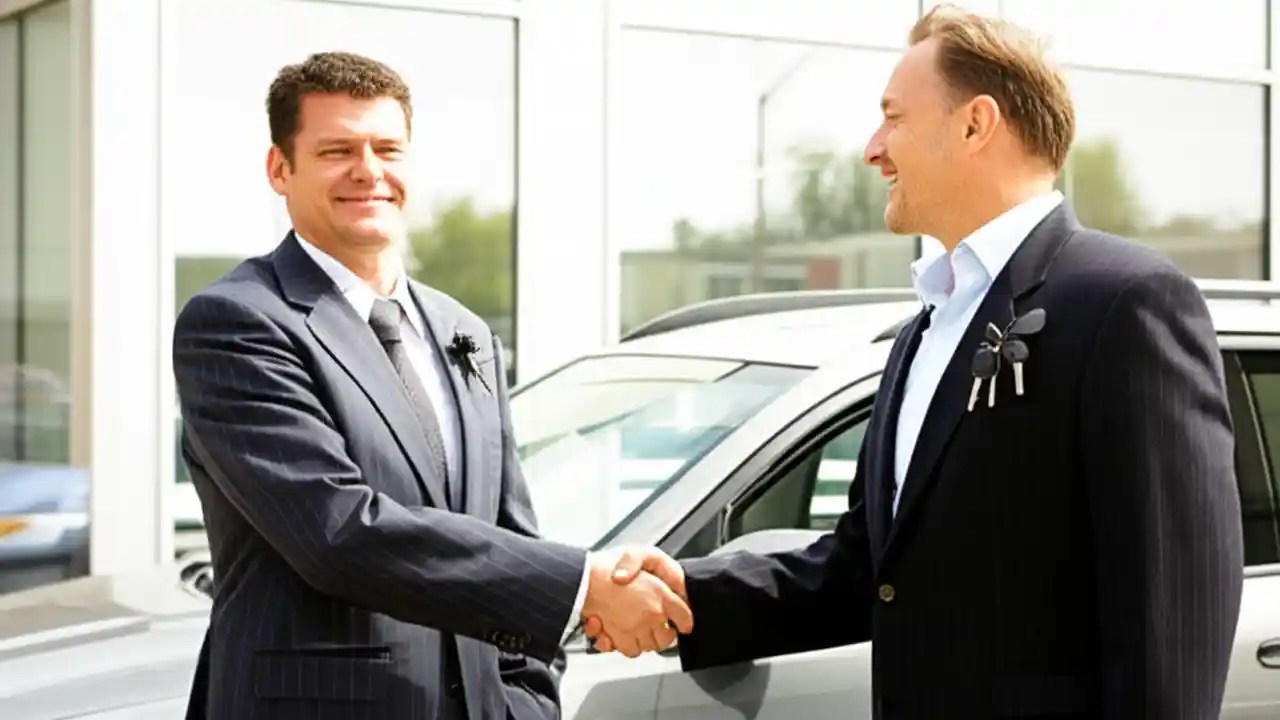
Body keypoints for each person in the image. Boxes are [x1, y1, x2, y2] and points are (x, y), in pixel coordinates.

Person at [587, 5, 1244, 718]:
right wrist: (685, 594)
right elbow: (867, 569)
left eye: (893, 117)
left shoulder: (1128, 303)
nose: (873, 150)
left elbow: (1170, 620)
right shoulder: (920, 333)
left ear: (974, 124)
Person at [174, 51, 684, 720]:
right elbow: (339, 534)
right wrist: (586, 585)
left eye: (388, 148)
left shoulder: (461, 331)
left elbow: (509, 528)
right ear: (280, 169)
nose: (368, 170)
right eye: (336, 150)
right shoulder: (239, 322)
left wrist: (525, 699)